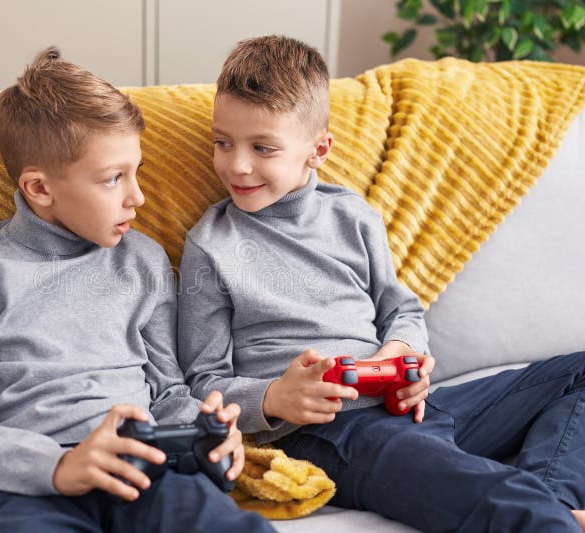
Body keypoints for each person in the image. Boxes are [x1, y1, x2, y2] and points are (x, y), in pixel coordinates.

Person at [177, 34, 585, 532]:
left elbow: (400, 309)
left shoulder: (351, 214)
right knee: (470, 486)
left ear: (318, 150)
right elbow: (202, 383)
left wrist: (401, 352)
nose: (236, 164)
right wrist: (272, 398)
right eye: (223, 142)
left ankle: (555, 503)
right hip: (325, 432)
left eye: (262, 147)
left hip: (411, 409)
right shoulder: (210, 245)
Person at [0, 47, 275, 533]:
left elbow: (166, 391)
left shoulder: (142, 260)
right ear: (40, 188)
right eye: (112, 179)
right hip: (28, 484)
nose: (137, 196)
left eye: (136, 171)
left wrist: (207, 429)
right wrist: (58, 468)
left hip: (146, 465)